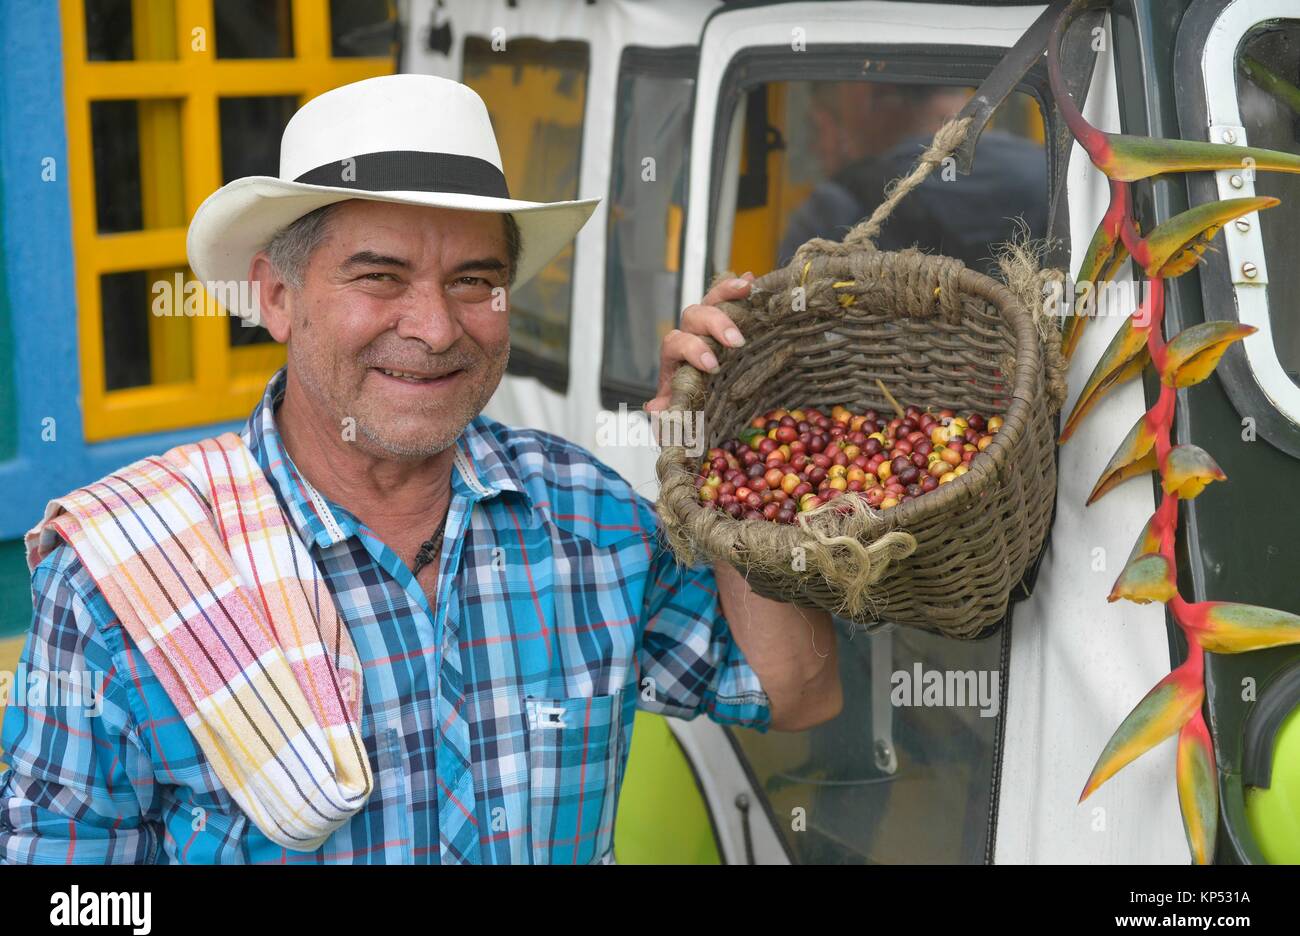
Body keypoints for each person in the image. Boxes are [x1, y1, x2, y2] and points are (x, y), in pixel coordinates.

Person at [0, 75, 839, 865]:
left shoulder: (589, 517)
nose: (436, 328)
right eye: (380, 276)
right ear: (278, 296)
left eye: (475, 280)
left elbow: (798, 692)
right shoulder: (126, 574)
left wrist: (725, 452)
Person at [778, 81, 1048, 273]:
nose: (815, 147)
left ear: (867, 98)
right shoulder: (1045, 172)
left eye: (815, 128)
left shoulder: (833, 210)